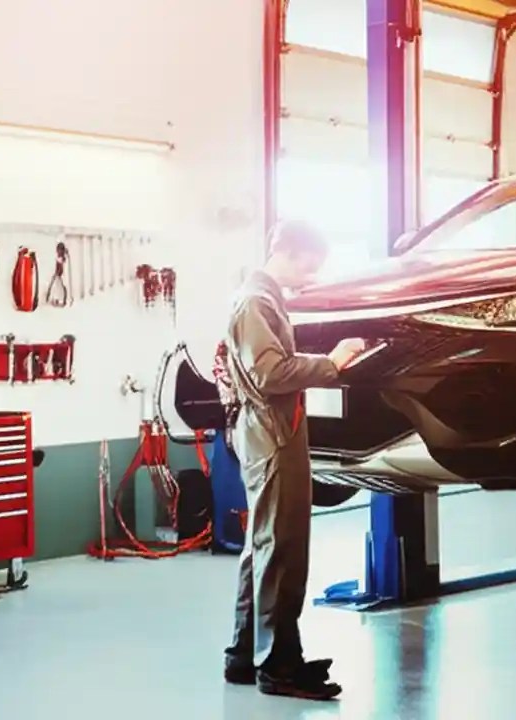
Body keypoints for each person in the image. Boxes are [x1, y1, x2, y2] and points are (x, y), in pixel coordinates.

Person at [220, 220, 364, 700]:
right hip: (273, 438)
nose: (314, 273)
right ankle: (279, 666)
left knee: (261, 548)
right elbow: (271, 372)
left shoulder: (262, 297)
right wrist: (333, 362)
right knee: (282, 549)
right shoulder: (256, 302)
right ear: (288, 251)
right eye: (311, 263)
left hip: (270, 435)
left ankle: (246, 655)